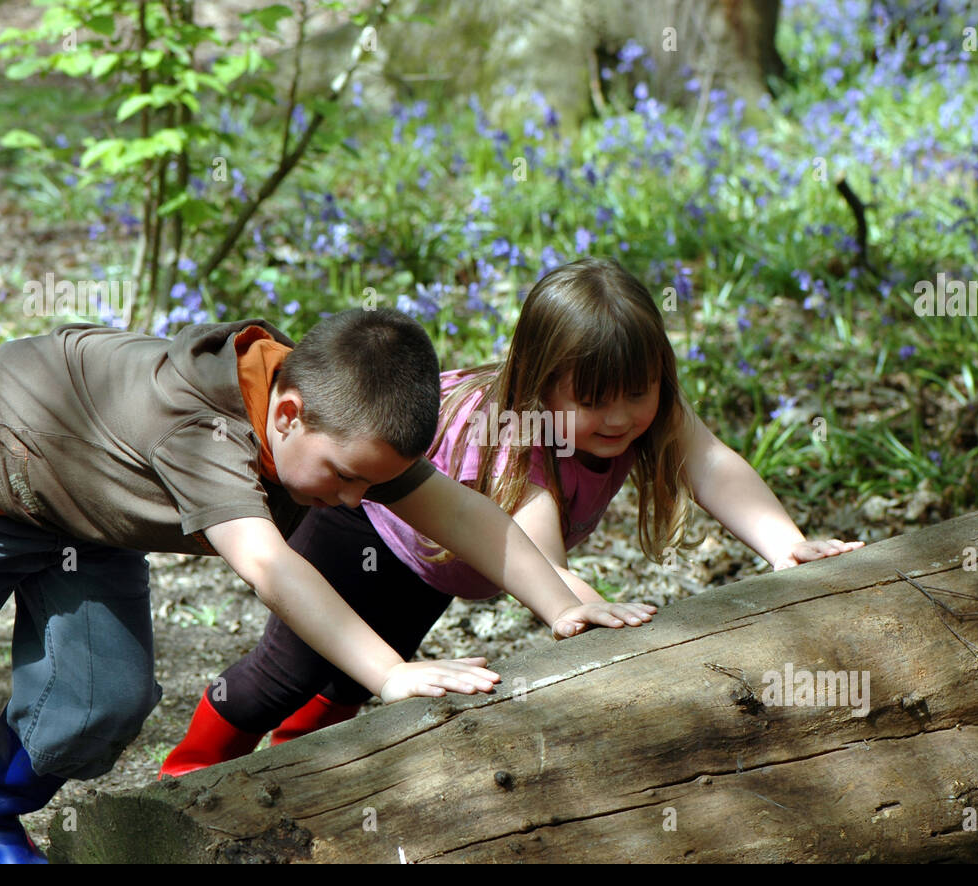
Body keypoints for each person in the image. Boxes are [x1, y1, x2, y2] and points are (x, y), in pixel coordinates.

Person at [0, 307, 653, 864]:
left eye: (370, 485)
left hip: (86, 515)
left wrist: (565, 601)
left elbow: (467, 514)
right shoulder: (200, 428)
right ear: (286, 414)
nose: (355, 501)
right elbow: (272, 567)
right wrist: (390, 671)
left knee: (102, 699)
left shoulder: (339, 416)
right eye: (345, 479)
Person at [161, 259, 862, 776]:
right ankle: (186, 774)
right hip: (361, 518)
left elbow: (711, 465)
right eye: (592, 400)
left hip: (438, 565)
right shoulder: (518, 443)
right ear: (537, 383)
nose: (619, 417)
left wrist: (786, 544)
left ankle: (292, 772)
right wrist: (591, 609)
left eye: (637, 394)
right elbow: (544, 563)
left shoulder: (648, 413)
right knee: (287, 671)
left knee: (354, 681)